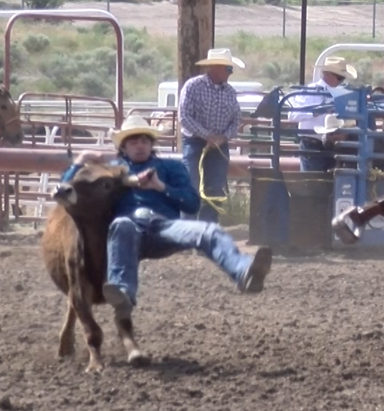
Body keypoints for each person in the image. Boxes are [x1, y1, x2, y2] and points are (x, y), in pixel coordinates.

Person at [69, 114, 271, 319]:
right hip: (129, 231)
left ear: (151, 144)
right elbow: (66, 189)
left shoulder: (171, 167)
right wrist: (80, 161)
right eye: (134, 141)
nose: (140, 146)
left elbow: (192, 204)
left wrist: (161, 187)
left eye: (145, 141)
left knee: (209, 230)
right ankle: (122, 293)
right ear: (123, 147)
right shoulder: (110, 172)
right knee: (122, 224)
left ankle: (245, 272)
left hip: (163, 227)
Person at [179, 47, 246, 224]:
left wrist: (223, 137)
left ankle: (207, 231)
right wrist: (207, 135)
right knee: (191, 188)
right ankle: (187, 232)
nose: (231, 73)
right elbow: (184, 116)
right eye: (229, 69)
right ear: (215, 67)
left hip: (219, 146)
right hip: (194, 143)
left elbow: (236, 120)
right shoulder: (193, 86)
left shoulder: (230, 92)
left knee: (215, 190)